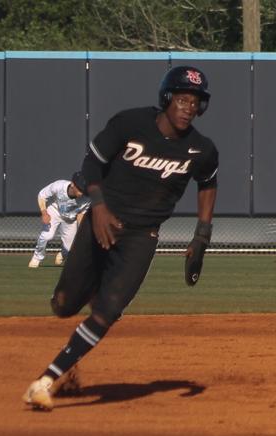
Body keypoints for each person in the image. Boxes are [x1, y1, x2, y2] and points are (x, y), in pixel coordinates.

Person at [22, 66, 219, 411]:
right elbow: (91, 166)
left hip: (142, 236)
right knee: (63, 305)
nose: (188, 107)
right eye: (182, 99)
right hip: (102, 222)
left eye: (196, 102)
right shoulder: (130, 125)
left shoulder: (200, 150)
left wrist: (201, 237)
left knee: (108, 312)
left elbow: (208, 182)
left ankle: (46, 381)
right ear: (167, 99)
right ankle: (95, 294)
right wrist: (97, 208)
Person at [27, 172, 90, 268]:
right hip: (55, 212)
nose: (81, 193)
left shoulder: (87, 198)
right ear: (73, 184)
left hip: (70, 219)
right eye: (80, 189)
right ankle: (37, 257)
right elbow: (42, 195)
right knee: (47, 236)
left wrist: (81, 230)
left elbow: (81, 214)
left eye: (84, 190)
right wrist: (44, 213)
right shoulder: (59, 185)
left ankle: (62, 254)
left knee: (69, 249)